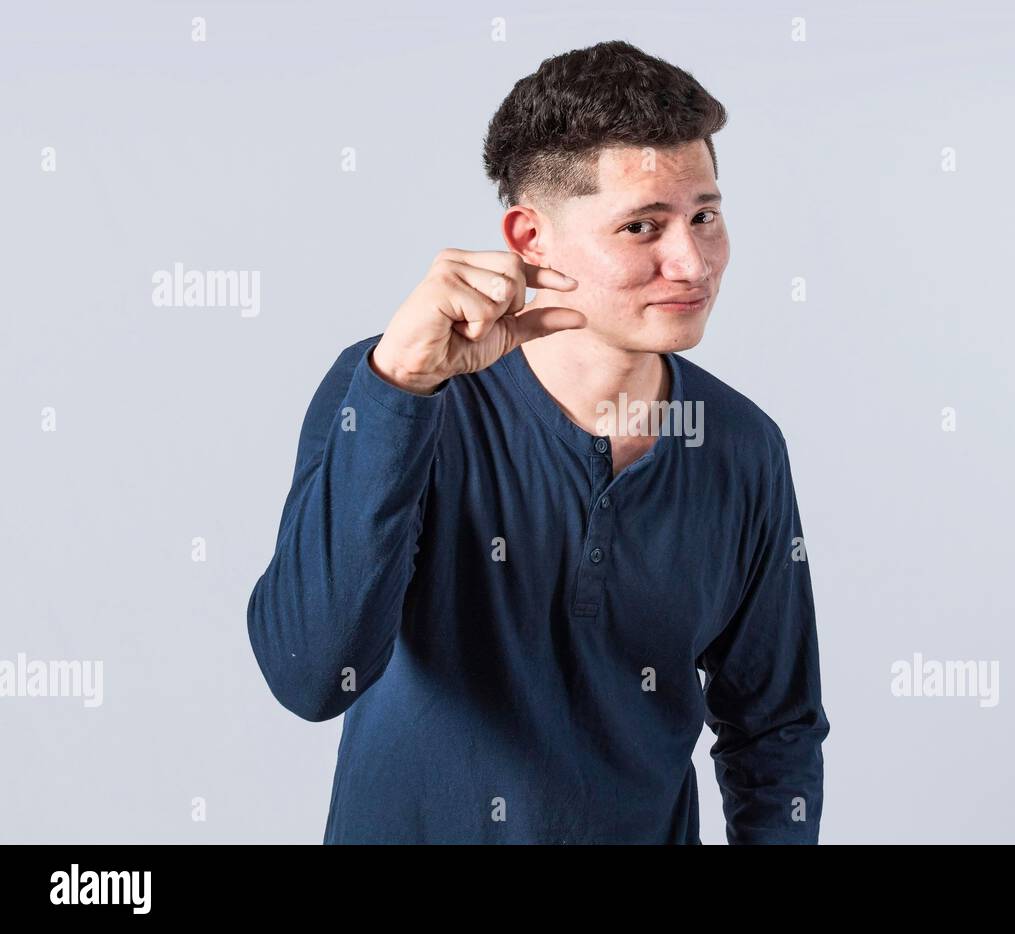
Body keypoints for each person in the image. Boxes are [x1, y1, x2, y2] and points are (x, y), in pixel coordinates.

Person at [246, 39, 830, 844]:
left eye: (705, 215)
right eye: (641, 226)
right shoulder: (391, 389)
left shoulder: (742, 446)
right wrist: (401, 391)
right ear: (529, 236)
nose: (690, 260)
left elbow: (776, 729)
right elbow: (310, 675)